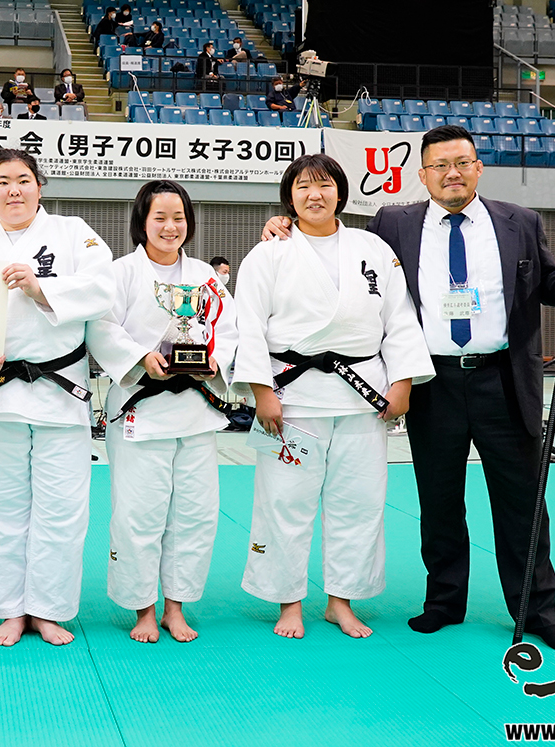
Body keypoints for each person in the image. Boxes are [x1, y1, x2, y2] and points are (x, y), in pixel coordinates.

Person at [259, 125, 555, 650]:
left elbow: (545, 283)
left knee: (523, 502)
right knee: (439, 500)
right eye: (439, 165)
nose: (451, 173)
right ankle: (445, 602)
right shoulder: (394, 223)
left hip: (504, 378)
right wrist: (284, 225)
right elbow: (338, 246)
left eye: (461, 163)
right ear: (423, 174)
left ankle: (535, 610)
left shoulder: (520, 221)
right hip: (434, 381)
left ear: (478, 167)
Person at [236, 153, 434, 640]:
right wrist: (261, 391)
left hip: (362, 397)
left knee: (358, 502)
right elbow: (249, 325)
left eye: (324, 185)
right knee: (285, 501)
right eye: (303, 186)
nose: (315, 195)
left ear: (340, 193)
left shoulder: (372, 247)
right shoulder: (268, 253)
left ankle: (340, 601)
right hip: (292, 395)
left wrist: (402, 382)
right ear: (289, 197)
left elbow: (399, 318)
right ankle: (289, 602)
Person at [0, 150, 114, 646]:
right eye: (2, 181)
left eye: (23, 180)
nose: (14, 190)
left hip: (61, 392)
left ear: (40, 187)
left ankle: (47, 608)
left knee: (62, 506)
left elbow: (102, 289)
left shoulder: (74, 233)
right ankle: (8, 609)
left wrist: (42, 290)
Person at [86, 180, 237, 644]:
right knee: (139, 515)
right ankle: (143, 609)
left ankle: (176, 607)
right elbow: (101, 328)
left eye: (179, 218)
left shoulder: (205, 276)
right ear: (142, 222)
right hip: (141, 410)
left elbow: (230, 328)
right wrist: (140, 357)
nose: (171, 227)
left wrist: (216, 360)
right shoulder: (120, 273)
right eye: (160, 218)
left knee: (195, 513)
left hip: (195, 409)